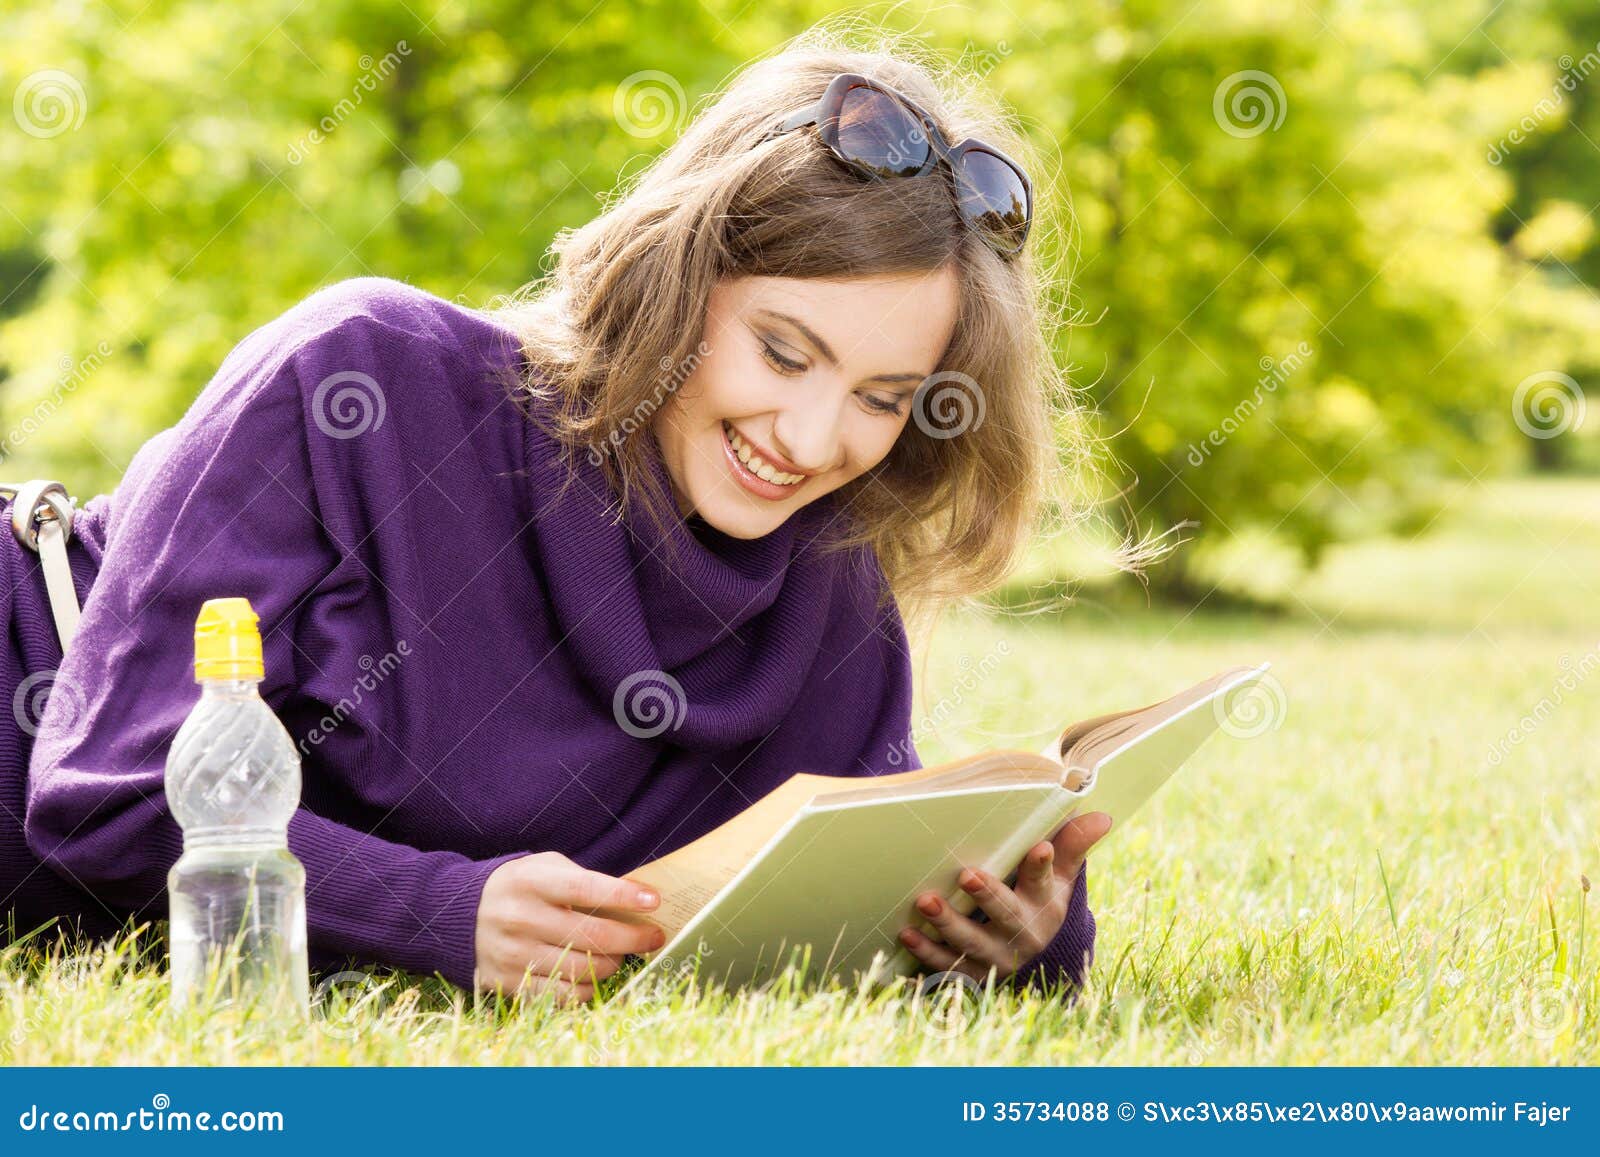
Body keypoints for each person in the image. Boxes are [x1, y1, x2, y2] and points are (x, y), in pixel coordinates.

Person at [1, 32, 1112, 1005]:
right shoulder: (370, 375)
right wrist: (440, 909)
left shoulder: (824, 580)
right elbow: (104, 797)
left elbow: (856, 864)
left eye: (884, 399)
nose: (815, 439)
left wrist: (1022, 929)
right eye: (781, 351)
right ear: (678, 272)